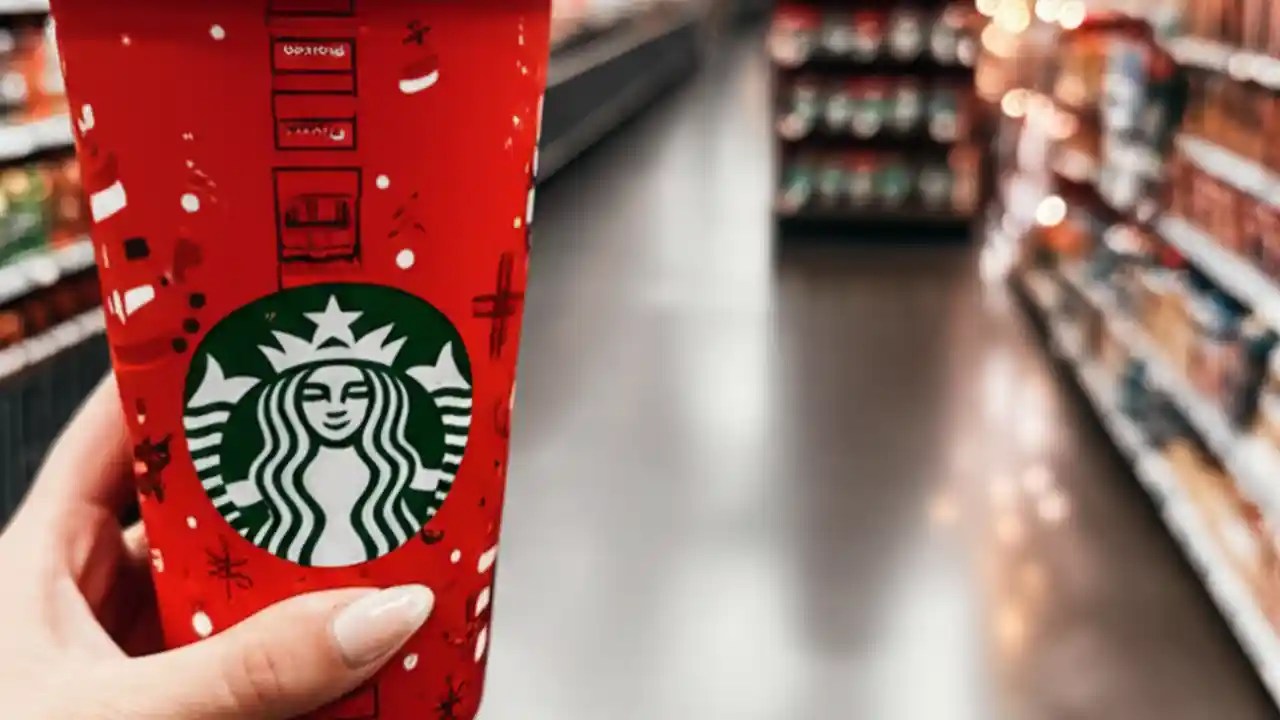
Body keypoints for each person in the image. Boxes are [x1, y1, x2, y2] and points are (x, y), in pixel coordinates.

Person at [0, 377, 433, 719]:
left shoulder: (393, 473)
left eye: (354, 392)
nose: (336, 407)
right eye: (317, 394)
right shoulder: (267, 482)